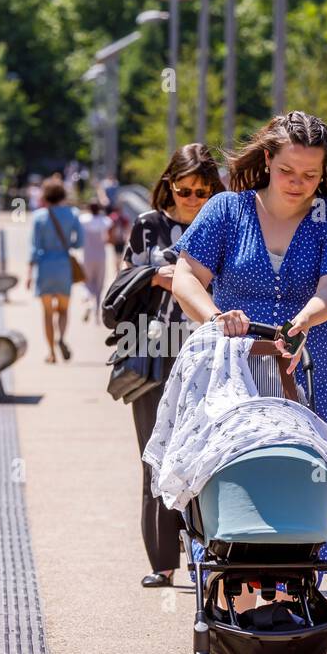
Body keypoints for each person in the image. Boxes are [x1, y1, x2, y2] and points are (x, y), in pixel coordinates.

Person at [168, 110, 327, 610]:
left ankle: (296, 595)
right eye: (288, 172)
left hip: (313, 356)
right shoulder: (227, 211)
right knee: (230, 462)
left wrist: (302, 323)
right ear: (268, 160)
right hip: (233, 359)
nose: (298, 184)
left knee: (315, 464)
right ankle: (233, 598)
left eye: (311, 175)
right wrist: (215, 317)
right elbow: (186, 276)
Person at [122, 143, 226, 588]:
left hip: (210, 356)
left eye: (203, 191)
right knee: (155, 456)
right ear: (169, 186)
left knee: (212, 456)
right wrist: (159, 276)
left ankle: (209, 553)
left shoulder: (224, 223)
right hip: (154, 352)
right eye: (184, 190)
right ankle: (162, 562)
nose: (192, 199)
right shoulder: (149, 227)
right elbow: (124, 285)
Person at [27, 176, 83, 364]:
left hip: (44, 268)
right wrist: (67, 244)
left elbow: (34, 247)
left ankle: (51, 352)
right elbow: (80, 241)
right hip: (63, 267)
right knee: (64, 310)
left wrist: (28, 274)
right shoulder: (72, 214)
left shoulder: (38, 217)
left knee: (47, 313)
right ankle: (61, 338)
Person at [79, 199, 111, 323]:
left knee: (87, 281)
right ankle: (97, 311)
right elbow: (109, 238)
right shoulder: (105, 222)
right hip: (101, 255)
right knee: (99, 284)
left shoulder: (84, 220)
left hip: (87, 255)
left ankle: (88, 300)